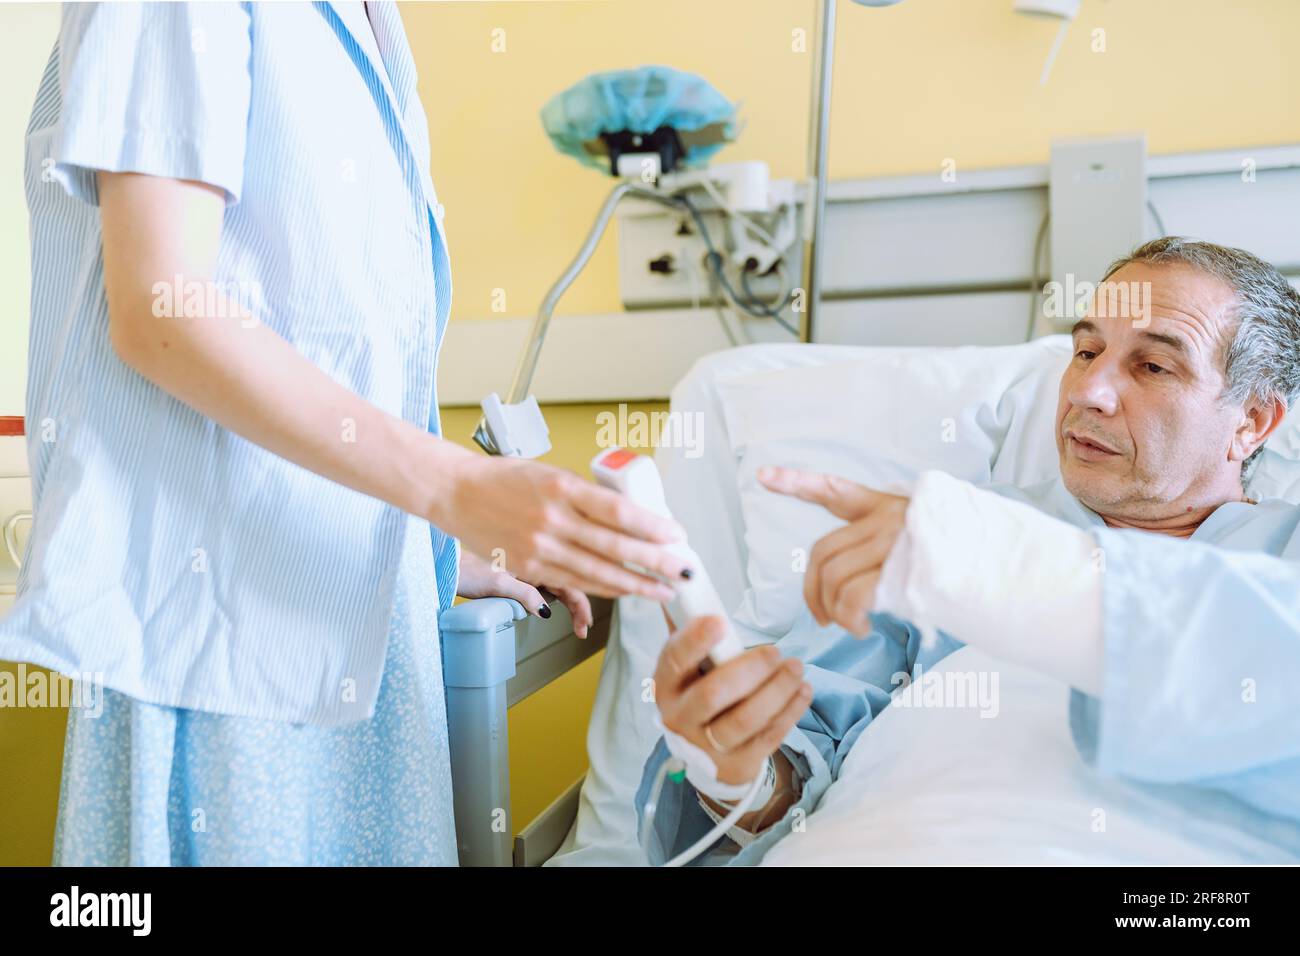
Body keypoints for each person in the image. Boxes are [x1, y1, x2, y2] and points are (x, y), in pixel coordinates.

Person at [0, 1, 693, 866]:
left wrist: (423, 549)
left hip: (352, 632)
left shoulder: (371, 24)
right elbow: (160, 308)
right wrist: (460, 488)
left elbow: (312, 328)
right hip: (224, 647)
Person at [638, 237, 1300, 864]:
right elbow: (805, 748)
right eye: (1086, 352)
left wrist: (1024, 582)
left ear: (1252, 420)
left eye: (1152, 365)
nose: (1089, 392)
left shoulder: (1284, 554)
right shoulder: (946, 531)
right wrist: (734, 771)